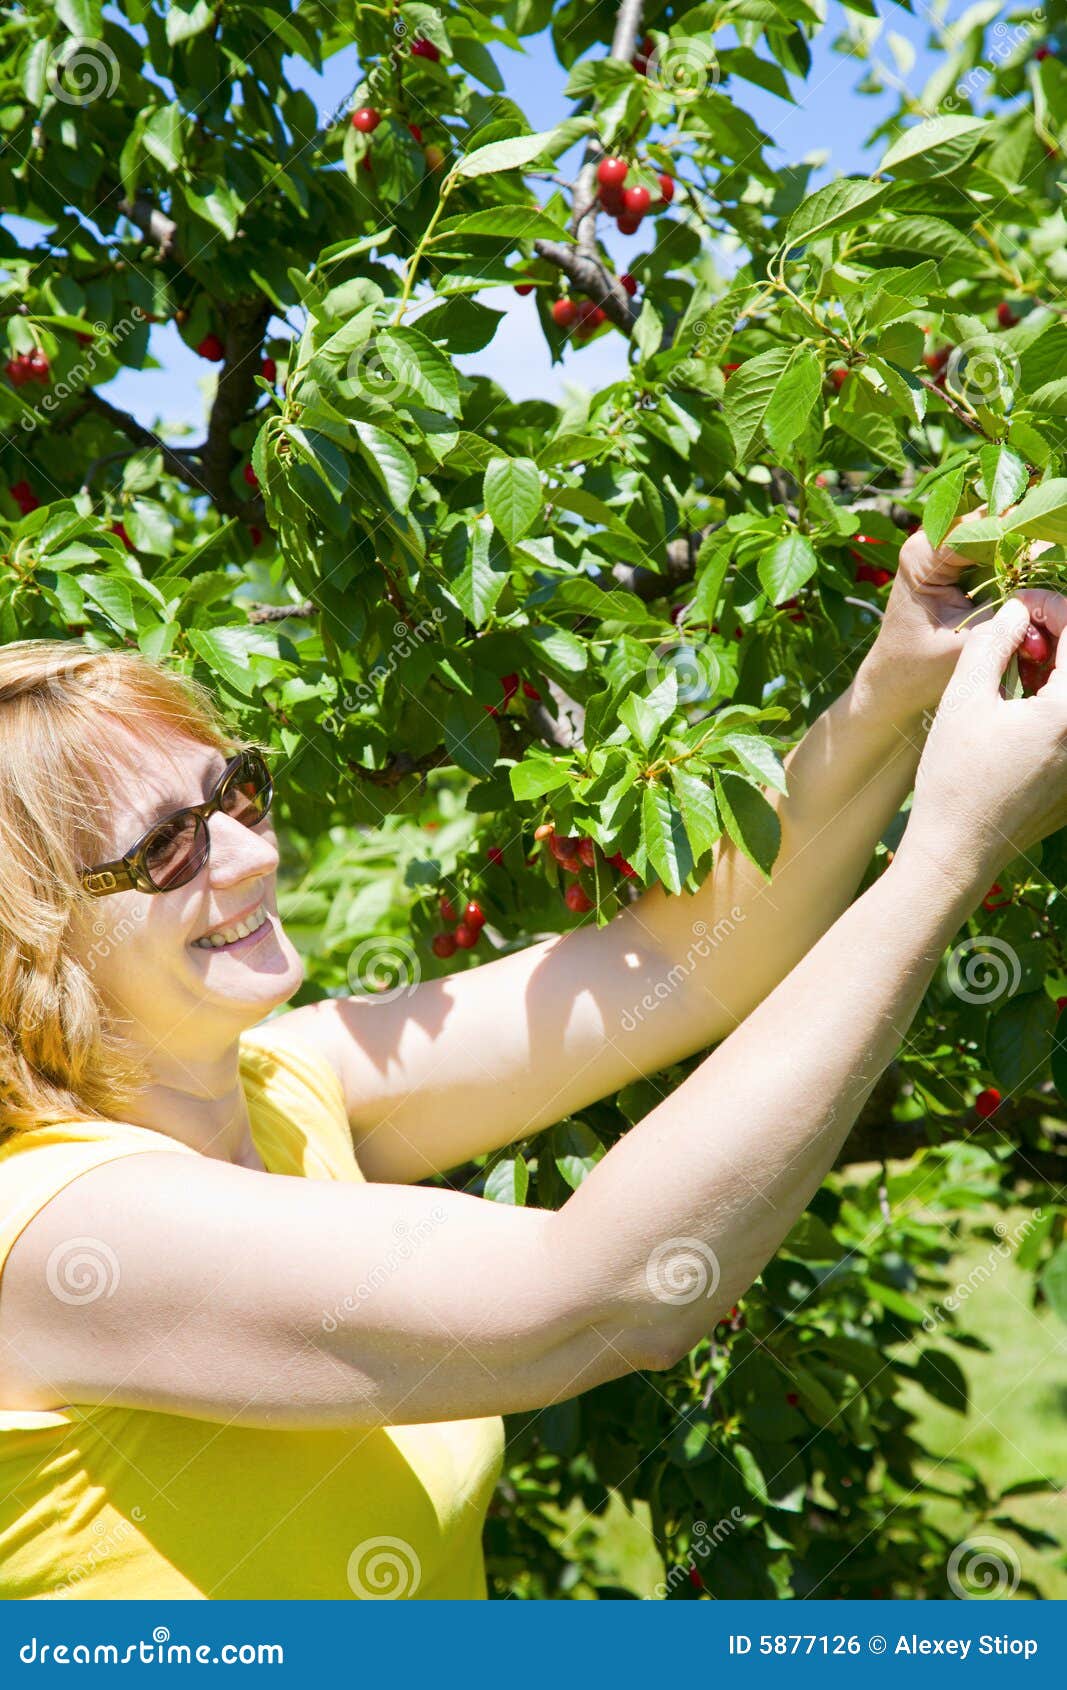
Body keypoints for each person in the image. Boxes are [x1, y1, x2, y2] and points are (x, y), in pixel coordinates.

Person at [0, 533, 1063, 1599]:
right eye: (168, 849)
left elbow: (670, 966)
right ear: (30, 938)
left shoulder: (287, 1083)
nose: (254, 853)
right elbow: (608, 1294)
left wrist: (890, 691)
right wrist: (947, 857)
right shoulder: (59, 1233)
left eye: (234, 793)